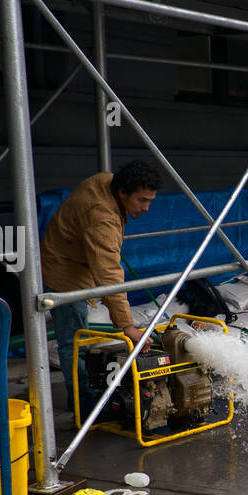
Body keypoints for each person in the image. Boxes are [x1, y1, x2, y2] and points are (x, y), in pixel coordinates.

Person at [41, 160, 161, 409]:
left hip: (75, 258)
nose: (147, 208)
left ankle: (92, 399)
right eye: (142, 200)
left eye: (150, 201)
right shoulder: (102, 218)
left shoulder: (108, 180)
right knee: (75, 343)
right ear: (122, 192)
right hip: (65, 272)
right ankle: (85, 407)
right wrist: (127, 326)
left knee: (79, 338)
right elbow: (108, 274)